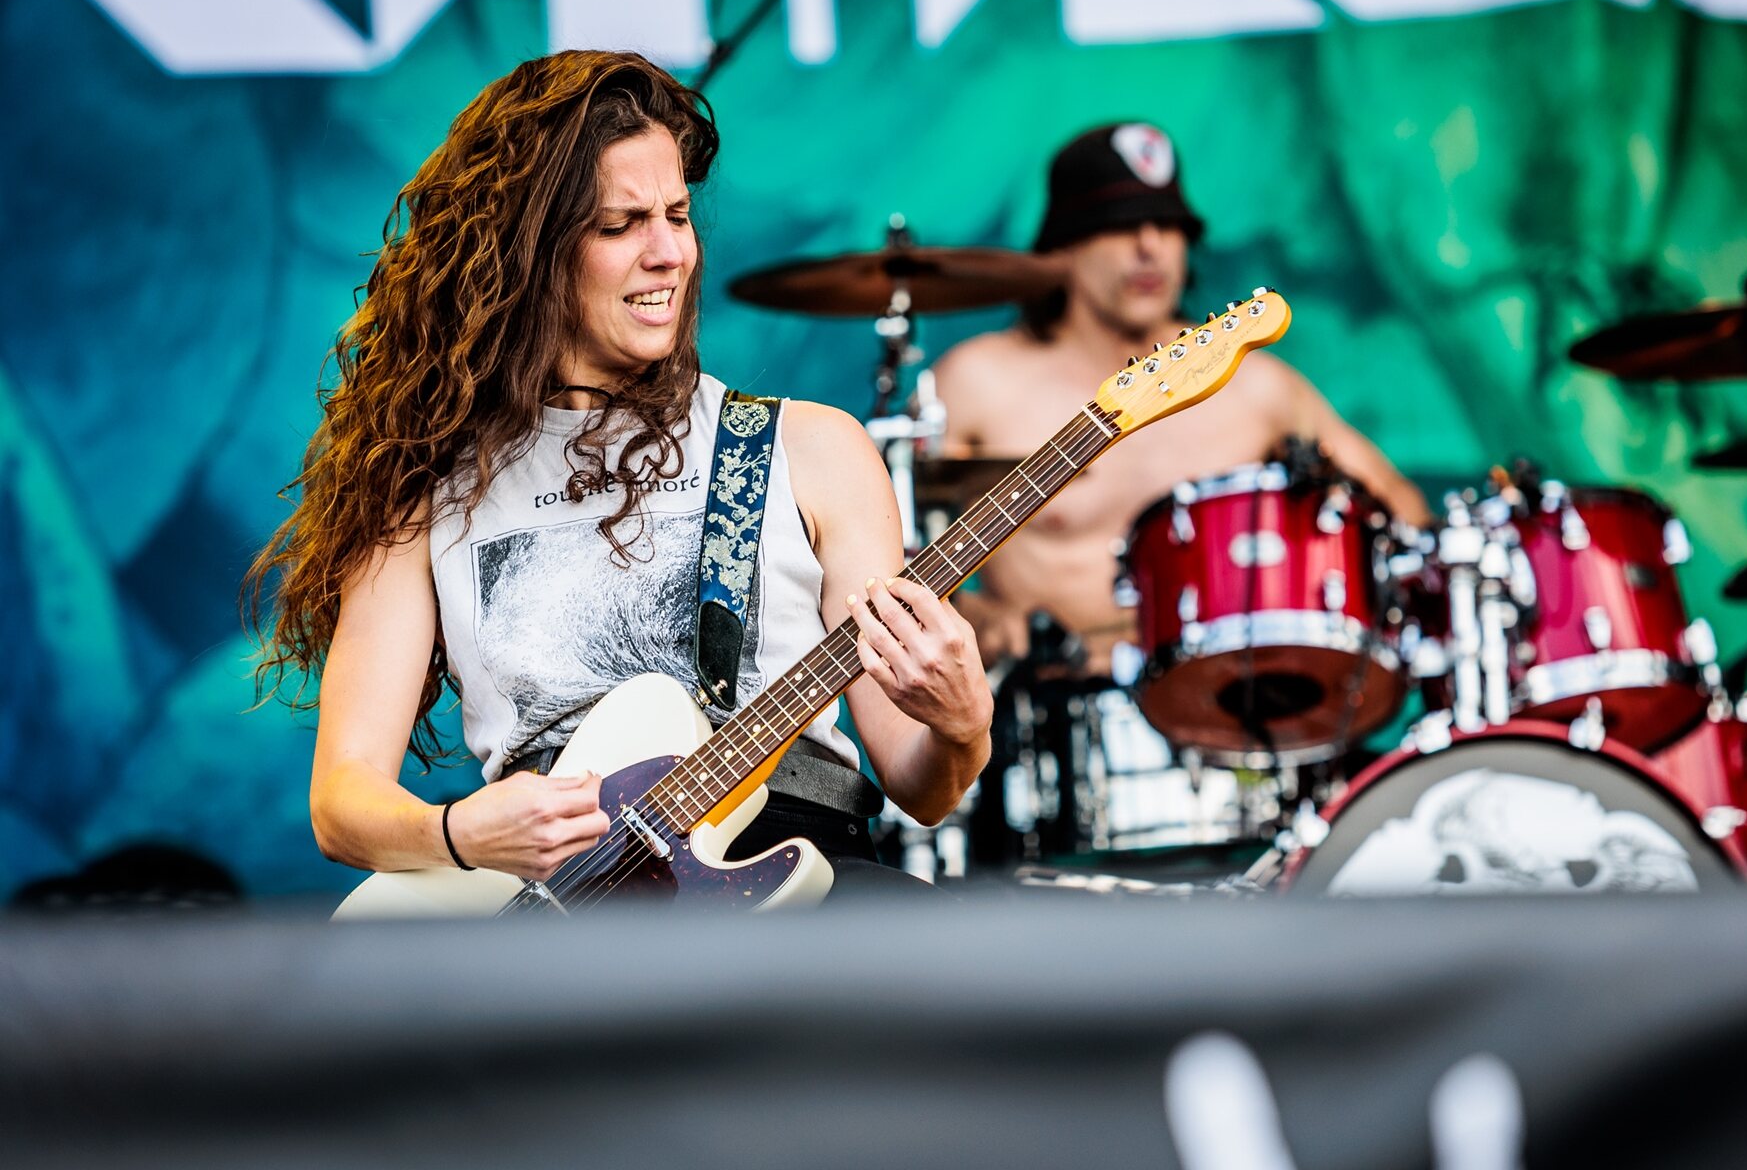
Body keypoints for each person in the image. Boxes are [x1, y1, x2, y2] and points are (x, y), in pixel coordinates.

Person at [246, 50, 992, 893]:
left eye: (678, 215)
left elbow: (918, 783)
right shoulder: (429, 497)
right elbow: (341, 802)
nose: (669, 251)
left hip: (802, 887)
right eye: (620, 224)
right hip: (568, 910)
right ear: (527, 253)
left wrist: (961, 728)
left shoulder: (810, 450)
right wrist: (455, 832)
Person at [933, 122, 1431, 675]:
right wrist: (972, 614)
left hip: (1240, 700)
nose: (1150, 248)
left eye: (1169, 226)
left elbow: (1398, 509)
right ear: (1062, 248)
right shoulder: (976, 382)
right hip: (1056, 709)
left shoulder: (1255, 382)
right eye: (1120, 226)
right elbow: (891, 555)